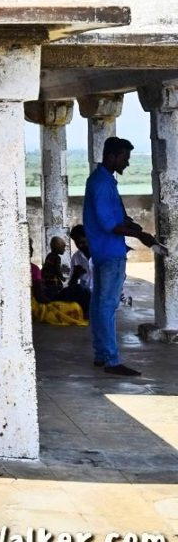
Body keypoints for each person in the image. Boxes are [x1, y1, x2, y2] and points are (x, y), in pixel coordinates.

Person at [83, 136, 161, 376]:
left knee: (99, 305)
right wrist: (140, 236)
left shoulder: (102, 180)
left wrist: (133, 227)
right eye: (124, 158)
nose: (126, 163)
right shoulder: (102, 183)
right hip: (110, 251)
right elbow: (109, 225)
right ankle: (112, 360)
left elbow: (114, 218)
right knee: (107, 306)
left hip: (103, 250)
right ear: (112, 156)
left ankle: (101, 353)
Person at [69, 224, 93, 295]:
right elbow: (71, 284)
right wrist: (75, 276)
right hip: (85, 296)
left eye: (83, 242)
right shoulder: (76, 257)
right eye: (77, 243)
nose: (80, 246)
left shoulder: (101, 254)